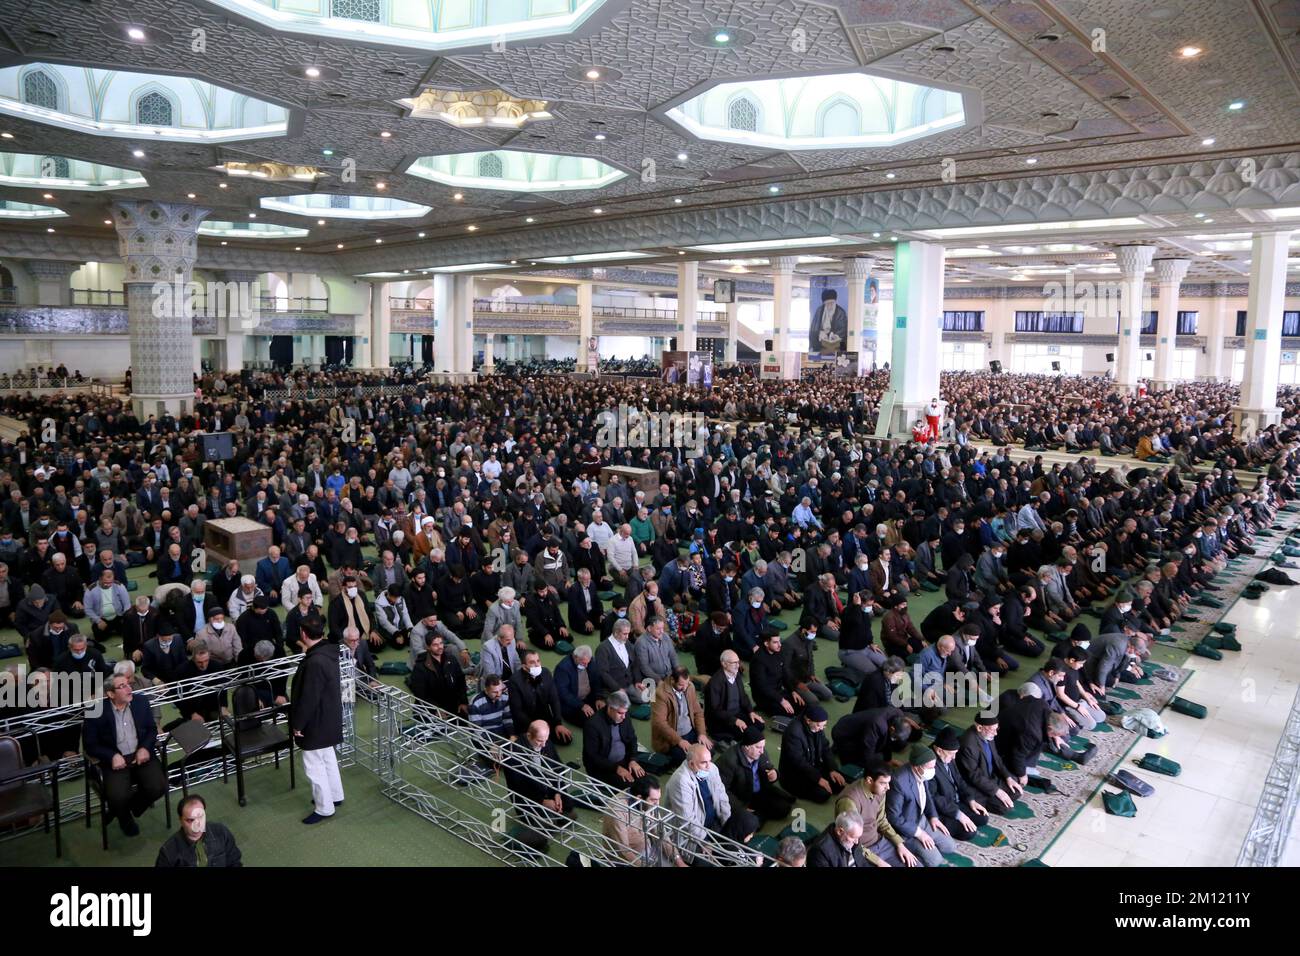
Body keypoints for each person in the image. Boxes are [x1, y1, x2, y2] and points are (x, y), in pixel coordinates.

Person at [82, 671, 167, 838]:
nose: (129, 689)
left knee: (159, 786)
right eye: (122, 686)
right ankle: (124, 818)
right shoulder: (95, 710)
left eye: (128, 684)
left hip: (140, 754)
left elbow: (151, 730)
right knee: (116, 796)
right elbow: (90, 745)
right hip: (115, 758)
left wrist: (144, 747)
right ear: (110, 694)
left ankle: (127, 809)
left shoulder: (141, 702)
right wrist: (111, 755)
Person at [291, 614, 345, 824]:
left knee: (314, 765)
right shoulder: (329, 652)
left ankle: (324, 807)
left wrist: (298, 724)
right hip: (329, 716)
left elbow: (308, 698)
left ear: (303, 634)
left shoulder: (315, 661)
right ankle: (336, 795)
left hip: (315, 721)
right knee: (328, 757)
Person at [666, 743, 758, 862]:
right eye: (704, 763)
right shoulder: (681, 781)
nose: (709, 766)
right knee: (713, 860)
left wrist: (728, 825)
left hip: (714, 824)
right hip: (692, 835)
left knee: (739, 842)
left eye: (710, 761)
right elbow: (687, 821)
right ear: (691, 764)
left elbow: (722, 798)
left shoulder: (712, 769)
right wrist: (706, 842)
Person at [834, 763, 916, 867]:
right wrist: (879, 862)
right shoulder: (849, 802)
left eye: (888, 783)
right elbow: (851, 842)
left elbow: (881, 820)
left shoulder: (880, 790)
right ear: (869, 780)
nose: (888, 787)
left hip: (879, 841)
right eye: (883, 783)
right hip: (862, 851)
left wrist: (899, 843)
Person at [715, 723, 795, 823]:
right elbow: (722, 790)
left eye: (763, 747)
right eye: (758, 747)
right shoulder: (729, 761)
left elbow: (769, 768)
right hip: (743, 796)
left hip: (760, 788)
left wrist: (775, 774)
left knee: (785, 808)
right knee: (757, 821)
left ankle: (761, 811)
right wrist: (740, 807)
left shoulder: (759, 752)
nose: (762, 751)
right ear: (747, 747)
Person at [601, 774, 685, 867]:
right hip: (623, 857)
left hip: (645, 846)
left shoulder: (649, 804)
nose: (658, 804)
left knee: (670, 863)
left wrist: (679, 860)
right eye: (654, 800)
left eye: (659, 799)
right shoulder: (618, 811)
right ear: (639, 798)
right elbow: (623, 850)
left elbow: (661, 834)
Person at [502, 719, 574, 819]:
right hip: (529, 797)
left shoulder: (546, 743)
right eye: (539, 741)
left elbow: (558, 768)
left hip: (548, 788)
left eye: (546, 739)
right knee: (548, 823)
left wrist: (558, 793)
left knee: (569, 809)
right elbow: (518, 786)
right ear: (528, 735)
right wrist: (542, 801)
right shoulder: (514, 753)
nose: (544, 745)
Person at [929, 725, 989, 841]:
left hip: (956, 801)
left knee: (982, 817)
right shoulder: (929, 764)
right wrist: (958, 814)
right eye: (951, 754)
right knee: (969, 832)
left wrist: (970, 800)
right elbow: (934, 798)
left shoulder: (948, 756)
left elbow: (959, 779)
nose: (954, 758)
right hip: (942, 810)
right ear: (939, 750)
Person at [956, 714, 1024, 815]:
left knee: (1016, 789)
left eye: (997, 729)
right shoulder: (968, 744)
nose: (996, 733)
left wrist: (1008, 777)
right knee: (1004, 808)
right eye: (992, 730)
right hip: (976, 785)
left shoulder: (987, 735)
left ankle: (994, 796)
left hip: (990, 778)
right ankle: (986, 800)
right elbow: (975, 776)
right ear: (980, 727)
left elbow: (997, 759)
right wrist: (997, 791)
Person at [778, 704, 845, 803]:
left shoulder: (817, 727)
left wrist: (832, 769)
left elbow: (825, 748)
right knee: (823, 794)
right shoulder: (793, 732)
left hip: (813, 766)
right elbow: (798, 761)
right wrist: (818, 778)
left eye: (824, 725)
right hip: (795, 775)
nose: (822, 728)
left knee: (839, 784)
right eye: (819, 725)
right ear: (808, 720)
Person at [155, 794, 243, 867]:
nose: (197, 824)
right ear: (181, 820)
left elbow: (234, 862)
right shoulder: (168, 852)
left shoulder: (221, 832)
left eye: (200, 817)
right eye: (190, 820)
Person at [507, 648, 572, 743]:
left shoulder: (546, 673)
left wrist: (558, 723)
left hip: (544, 718)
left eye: (538, 660)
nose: (537, 664)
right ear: (524, 666)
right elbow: (517, 711)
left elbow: (554, 700)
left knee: (565, 739)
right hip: (526, 722)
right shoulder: (514, 681)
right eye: (532, 662)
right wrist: (535, 727)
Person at [582, 689, 643, 787]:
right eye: (620, 713)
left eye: (625, 712)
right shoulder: (592, 725)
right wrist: (616, 768)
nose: (624, 716)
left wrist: (633, 759)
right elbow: (592, 756)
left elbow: (632, 738)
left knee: (645, 781)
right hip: (603, 768)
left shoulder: (624, 715)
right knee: (630, 786)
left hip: (625, 760)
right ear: (610, 708)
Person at [650, 666, 711, 765]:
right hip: (672, 737)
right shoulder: (659, 694)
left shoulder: (689, 686)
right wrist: (679, 741)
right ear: (673, 680)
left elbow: (698, 712)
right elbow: (659, 723)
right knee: (688, 760)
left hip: (690, 731)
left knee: (708, 751)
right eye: (681, 685)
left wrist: (702, 733)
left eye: (687, 684)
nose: (685, 688)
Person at [704, 650, 763, 741]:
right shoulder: (715, 683)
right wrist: (735, 721)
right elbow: (716, 711)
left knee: (759, 725)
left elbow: (743, 696)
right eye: (734, 663)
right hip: (724, 719)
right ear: (724, 664)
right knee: (747, 734)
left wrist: (751, 712)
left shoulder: (736, 675)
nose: (738, 665)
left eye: (738, 662)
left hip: (737, 713)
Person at [410, 633, 469, 717]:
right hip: (432, 708)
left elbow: (461, 682)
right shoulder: (420, 667)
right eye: (435, 645)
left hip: (453, 704)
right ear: (428, 647)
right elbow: (420, 693)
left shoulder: (451, 659)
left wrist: (463, 702)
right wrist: (435, 710)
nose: (440, 647)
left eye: (441, 643)